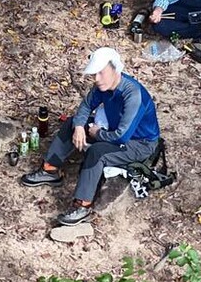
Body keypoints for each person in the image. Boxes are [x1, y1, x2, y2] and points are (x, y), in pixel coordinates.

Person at [18, 47, 160, 226]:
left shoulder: (132, 95)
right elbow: (85, 106)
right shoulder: (103, 86)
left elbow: (121, 137)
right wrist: (79, 127)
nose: (96, 79)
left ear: (115, 69)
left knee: (97, 152)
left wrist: (97, 134)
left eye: (101, 73)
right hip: (113, 129)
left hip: (139, 143)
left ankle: (82, 204)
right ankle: (50, 169)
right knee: (72, 122)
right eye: (94, 74)